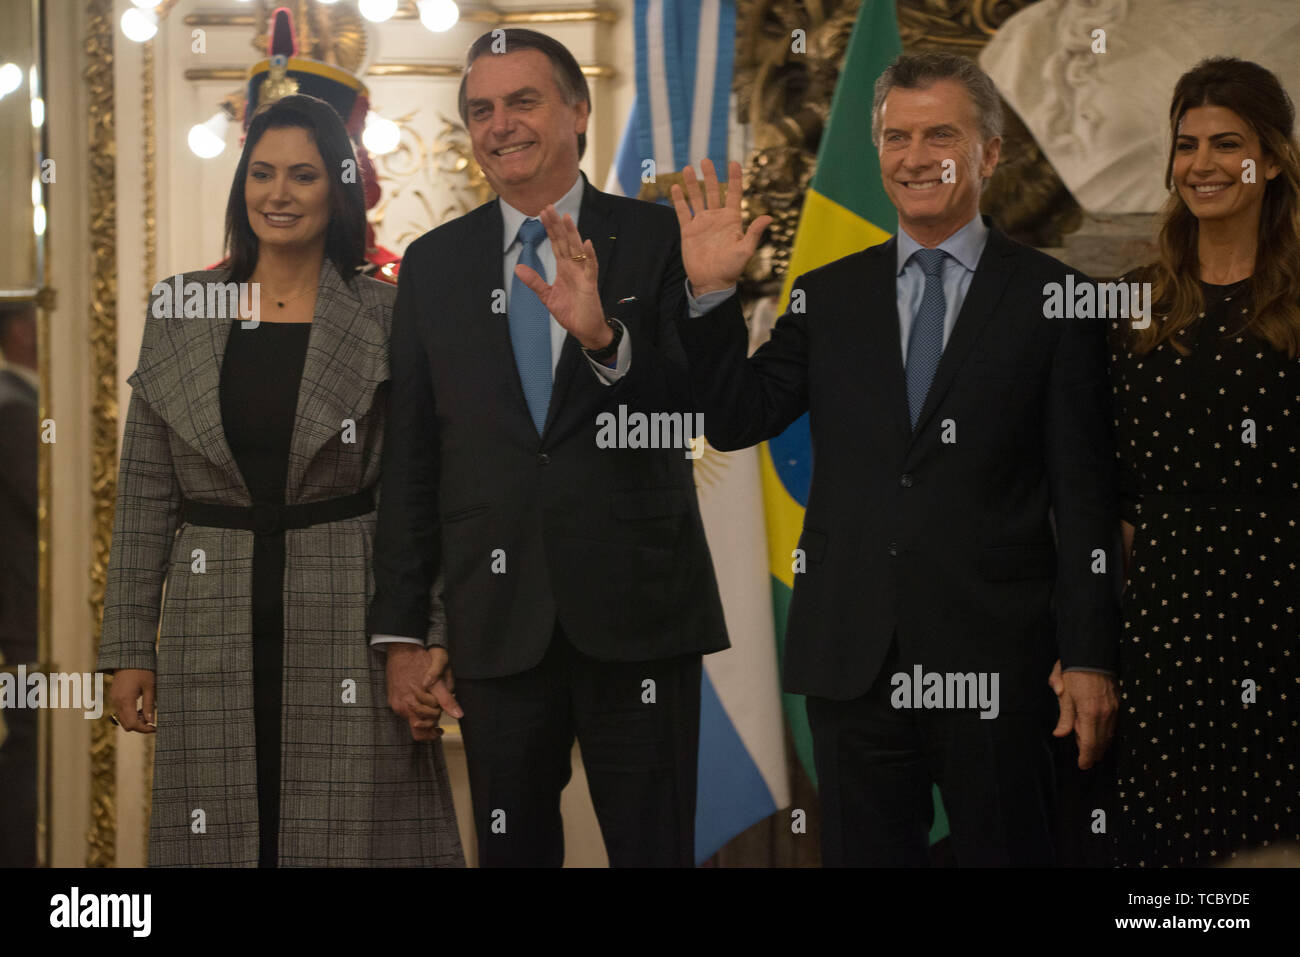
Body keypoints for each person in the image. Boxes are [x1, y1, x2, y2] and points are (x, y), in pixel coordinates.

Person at [672, 52, 1121, 866]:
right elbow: (736, 420)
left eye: (940, 135)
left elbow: (1085, 498)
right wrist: (709, 297)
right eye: (896, 137)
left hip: (1000, 665)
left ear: (990, 152)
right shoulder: (827, 294)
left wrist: (1089, 655)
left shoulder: (1057, 301)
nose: (915, 157)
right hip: (854, 660)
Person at [368, 28, 729, 867]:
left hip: (641, 613)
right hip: (495, 623)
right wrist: (402, 632)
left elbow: (703, 407)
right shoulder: (433, 265)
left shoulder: (659, 238)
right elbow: (413, 458)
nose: (499, 125)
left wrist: (606, 341)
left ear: (578, 110)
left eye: (522, 101)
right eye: (480, 110)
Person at [98, 94, 463, 868]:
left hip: (349, 608)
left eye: (303, 175)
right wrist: (129, 647)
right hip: (209, 613)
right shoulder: (180, 307)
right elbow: (145, 496)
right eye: (261, 173)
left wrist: (427, 630)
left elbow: (420, 492)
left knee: (348, 832)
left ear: (339, 189)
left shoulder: (387, 312)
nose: (278, 193)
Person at [1108, 57, 1300, 867]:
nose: (1203, 164)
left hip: (1283, 626)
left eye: (1228, 143)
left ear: (1273, 159)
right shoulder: (1132, 306)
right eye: (1187, 145)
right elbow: (1113, 496)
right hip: (1165, 633)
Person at [0, 303, 39, 867]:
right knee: (33, 743)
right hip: (27, 611)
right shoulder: (14, 408)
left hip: (21, 609)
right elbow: (47, 503)